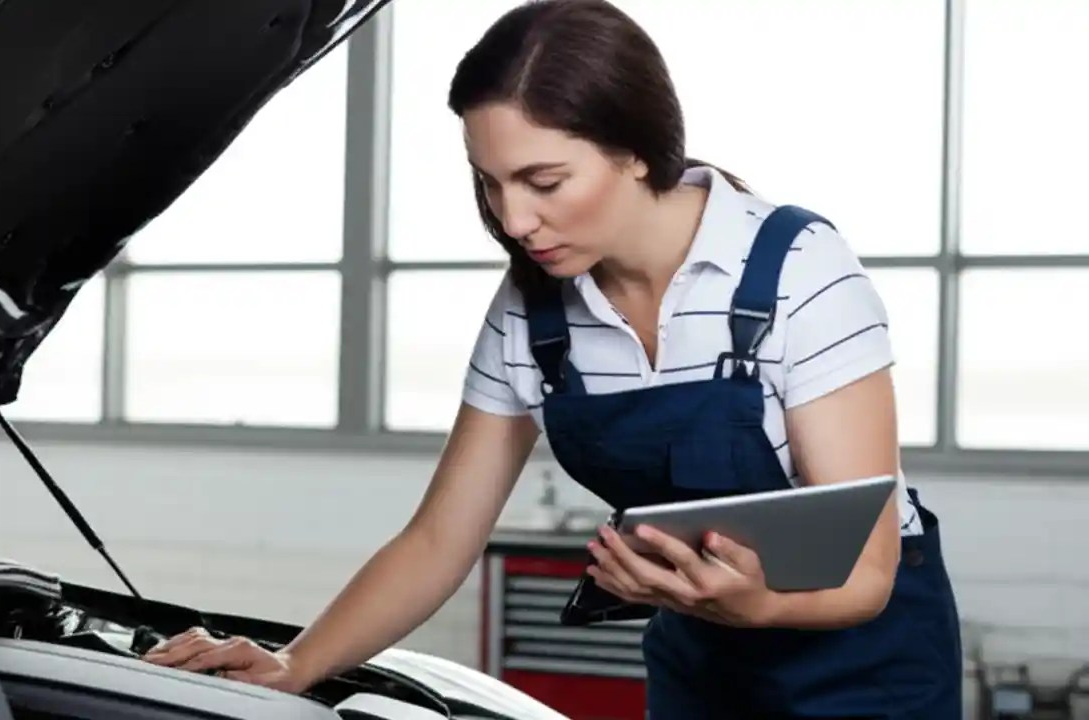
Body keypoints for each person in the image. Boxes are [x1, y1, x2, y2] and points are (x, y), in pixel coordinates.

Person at [143, 0, 964, 716]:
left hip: (863, 660)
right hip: (702, 651)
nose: (515, 220)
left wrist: (756, 606)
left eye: (543, 180)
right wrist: (296, 666)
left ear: (637, 150)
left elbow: (869, 571)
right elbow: (438, 540)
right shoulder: (532, 315)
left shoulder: (797, 269)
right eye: (490, 183)